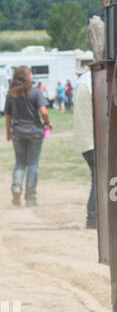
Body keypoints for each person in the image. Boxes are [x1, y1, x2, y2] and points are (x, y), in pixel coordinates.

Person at [4, 66, 50, 207]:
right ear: (27, 76)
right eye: (30, 73)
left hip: (17, 132)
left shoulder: (11, 94)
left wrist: (8, 133)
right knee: (33, 164)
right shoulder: (36, 92)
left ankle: (16, 187)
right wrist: (47, 123)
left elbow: (8, 117)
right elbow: (44, 111)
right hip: (34, 132)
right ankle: (30, 197)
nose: (32, 76)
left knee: (20, 163)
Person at [73, 67, 96, 229]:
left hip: (84, 140)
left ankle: (95, 216)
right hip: (94, 139)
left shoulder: (83, 79)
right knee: (107, 179)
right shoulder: (96, 81)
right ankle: (93, 217)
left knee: (99, 178)